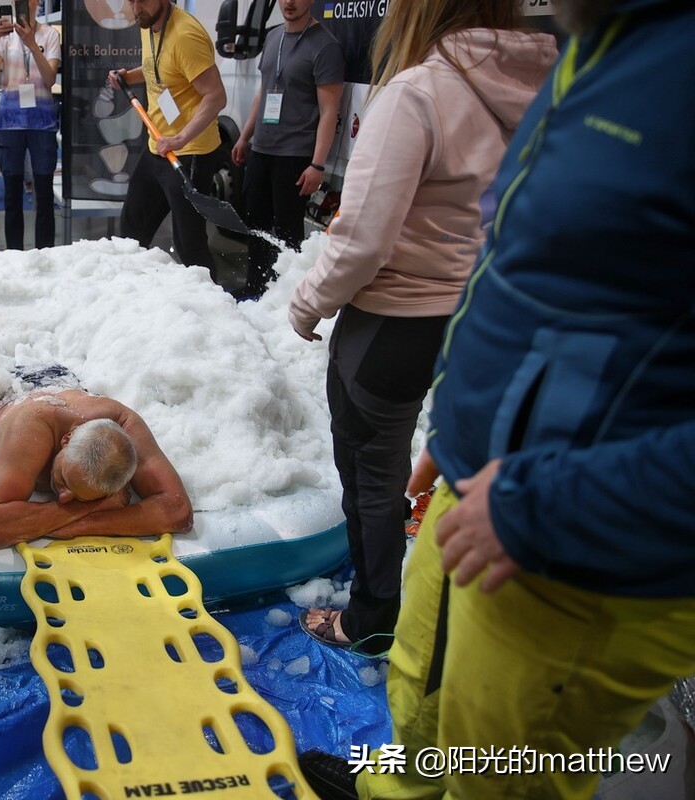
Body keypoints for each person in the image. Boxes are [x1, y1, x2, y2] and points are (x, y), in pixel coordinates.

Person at [297, 1, 695, 799]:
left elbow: (371, 234)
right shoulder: (592, 52)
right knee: (420, 688)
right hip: (491, 479)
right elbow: (536, 265)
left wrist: (541, 505)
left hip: (577, 544)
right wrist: (468, 420)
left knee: (502, 776)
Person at [287, 0, 554, 658]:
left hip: (395, 321)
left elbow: (363, 239)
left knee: (371, 475)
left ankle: (374, 616)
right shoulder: (556, 85)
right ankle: (464, 625)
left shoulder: (416, 92)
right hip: (492, 316)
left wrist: (307, 303)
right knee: (477, 467)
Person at [0, 366, 193, 550]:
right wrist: (91, 507)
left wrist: (79, 525)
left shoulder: (124, 423)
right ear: (67, 439)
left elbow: (178, 510)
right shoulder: (31, 431)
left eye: (80, 498)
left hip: (63, 382)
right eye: (63, 479)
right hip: (13, 388)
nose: (62, 499)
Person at [230, 0, 343, 300]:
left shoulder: (325, 46)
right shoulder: (273, 36)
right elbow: (264, 91)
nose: (289, 2)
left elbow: (329, 111)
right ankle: (255, 290)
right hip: (262, 148)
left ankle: (284, 300)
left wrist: (317, 165)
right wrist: (245, 136)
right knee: (255, 226)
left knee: (287, 235)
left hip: (294, 154)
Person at [109, 0, 225, 273]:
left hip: (189, 152)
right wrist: (130, 76)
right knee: (130, 234)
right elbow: (160, 71)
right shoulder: (148, 22)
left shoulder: (185, 35)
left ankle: (210, 308)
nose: (137, 8)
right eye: (132, 0)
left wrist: (181, 138)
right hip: (158, 146)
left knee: (189, 247)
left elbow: (216, 95)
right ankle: (130, 300)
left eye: (143, 0)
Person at [0, 0, 60, 250]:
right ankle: (13, 256)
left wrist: (32, 46)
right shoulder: (5, 37)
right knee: (12, 194)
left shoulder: (50, 35)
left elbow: (49, 79)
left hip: (42, 122)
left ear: (38, 3)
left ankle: (45, 254)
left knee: (44, 194)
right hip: (11, 122)